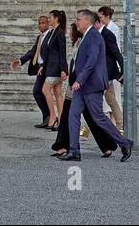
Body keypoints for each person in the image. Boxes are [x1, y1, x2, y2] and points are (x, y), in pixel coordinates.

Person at [57, 10, 133, 162]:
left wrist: (79, 80)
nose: (76, 22)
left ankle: (125, 143)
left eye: (78, 19)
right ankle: (74, 151)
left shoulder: (94, 36)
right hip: (81, 86)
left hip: (91, 85)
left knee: (98, 117)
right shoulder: (86, 37)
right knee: (73, 115)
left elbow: (91, 62)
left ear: (87, 21)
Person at [51, 19, 117, 158]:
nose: (68, 33)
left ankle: (66, 146)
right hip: (77, 85)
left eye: (71, 30)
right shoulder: (78, 43)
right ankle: (105, 146)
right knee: (77, 116)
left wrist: (77, 82)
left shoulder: (84, 42)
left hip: (81, 85)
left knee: (87, 117)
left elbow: (87, 65)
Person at [11, 15, 52, 127]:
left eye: (43, 23)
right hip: (40, 68)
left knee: (38, 91)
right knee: (39, 92)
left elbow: (51, 53)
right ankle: (48, 117)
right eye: (39, 23)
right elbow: (32, 52)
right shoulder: (40, 37)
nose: (40, 25)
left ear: (48, 24)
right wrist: (20, 61)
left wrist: (45, 65)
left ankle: (50, 117)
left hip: (47, 68)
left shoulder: (51, 36)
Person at [39, 10, 68, 129]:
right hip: (50, 66)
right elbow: (48, 52)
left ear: (56, 18)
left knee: (45, 90)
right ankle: (61, 120)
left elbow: (62, 52)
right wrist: (42, 66)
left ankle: (53, 116)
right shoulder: (52, 32)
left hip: (56, 68)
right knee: (57, 93)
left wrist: (63, 69)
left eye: (50, 17)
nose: (49, 19)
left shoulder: (60, 33)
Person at [97, 5, 125, 130]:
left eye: (101, 17)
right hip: (105, 71)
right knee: (110, 99)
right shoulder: (102, 31)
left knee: (96, 99)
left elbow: (116, 51)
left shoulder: (110, 31)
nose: (100, 19)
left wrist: (122, 68)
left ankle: (116, 124)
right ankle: (118, 124)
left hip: (108, 71)